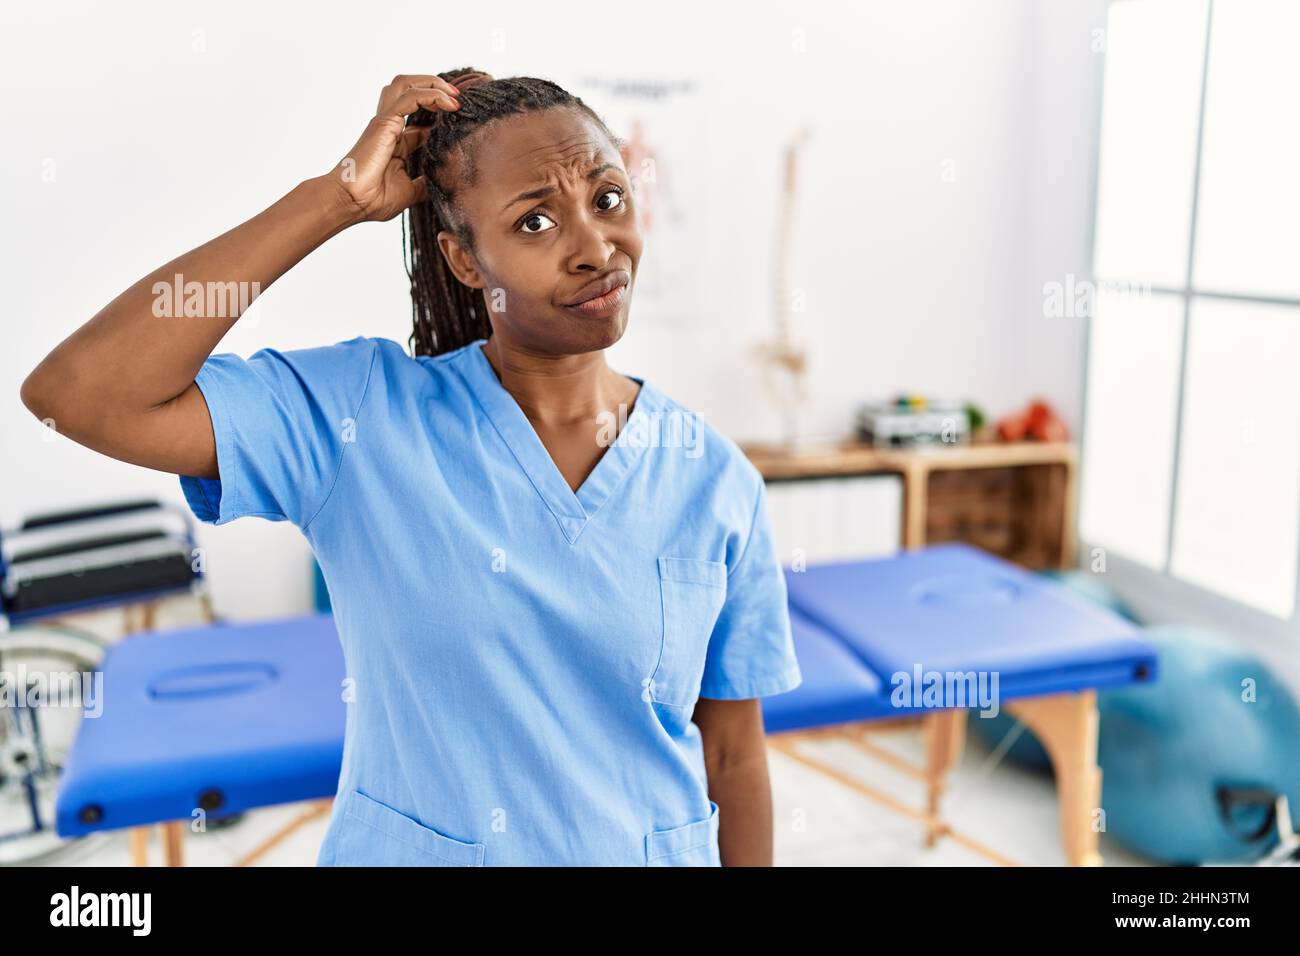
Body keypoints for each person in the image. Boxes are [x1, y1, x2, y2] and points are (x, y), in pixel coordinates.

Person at [20, 68, 802, 866]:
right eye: (534, 222)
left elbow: (733, 758)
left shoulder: (710, 476)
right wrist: (334, 200)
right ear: (464, 261)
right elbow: (78, 394)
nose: (596, 248)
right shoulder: (360, 419)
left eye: (606, 198)